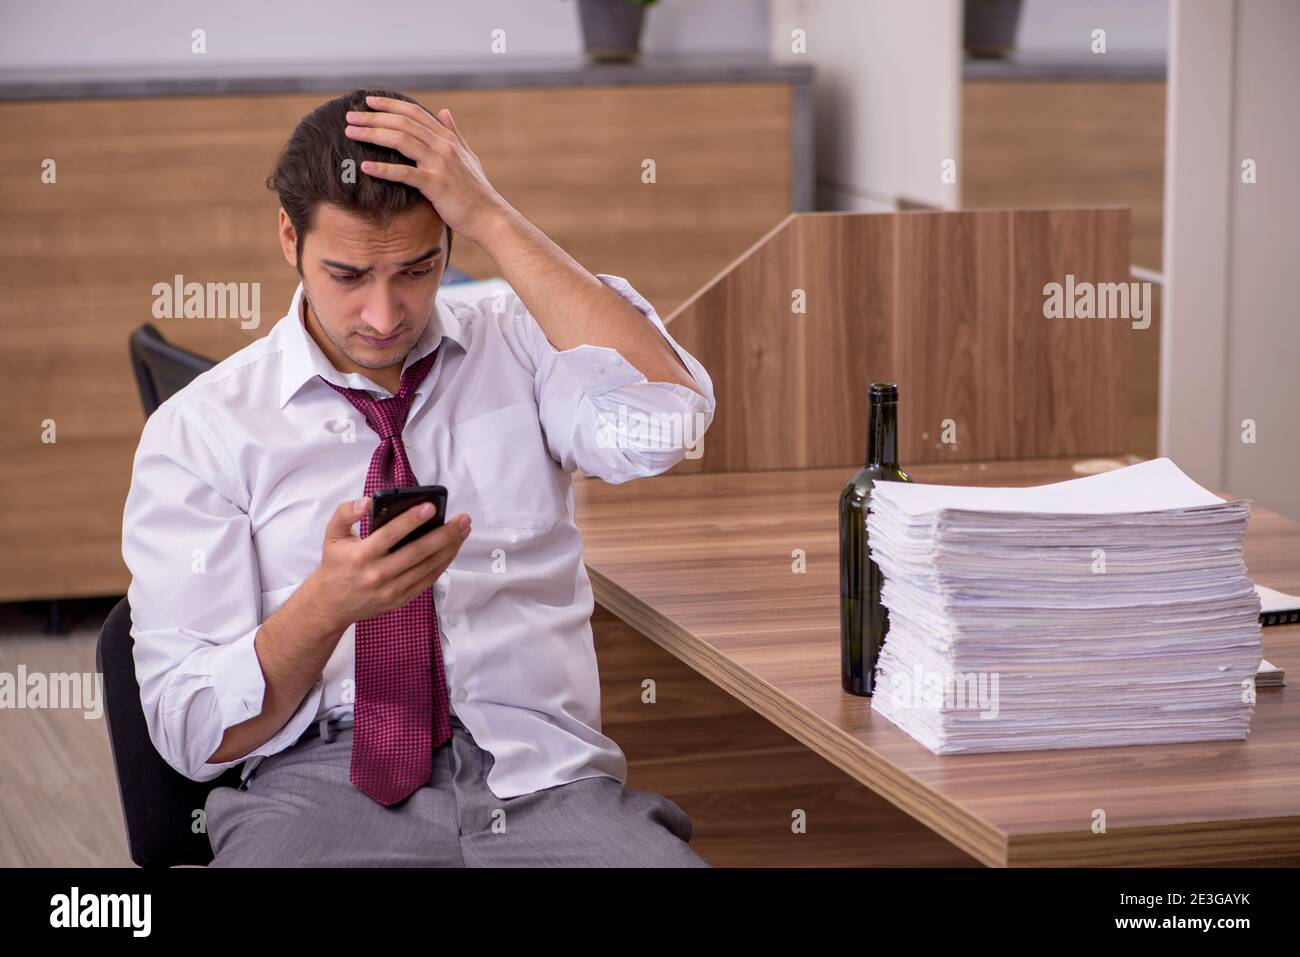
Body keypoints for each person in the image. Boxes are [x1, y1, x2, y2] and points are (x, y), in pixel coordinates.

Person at [121, 88, 716, 867]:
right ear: (288, 240)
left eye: (416, 268)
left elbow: (668, 422)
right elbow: (189, 733)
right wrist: (327, 605)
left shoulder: (519, 341)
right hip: (321, 784)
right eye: (347, 274)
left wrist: (494, 218)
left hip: (543, 781)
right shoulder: (201, 429)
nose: (382, 313)